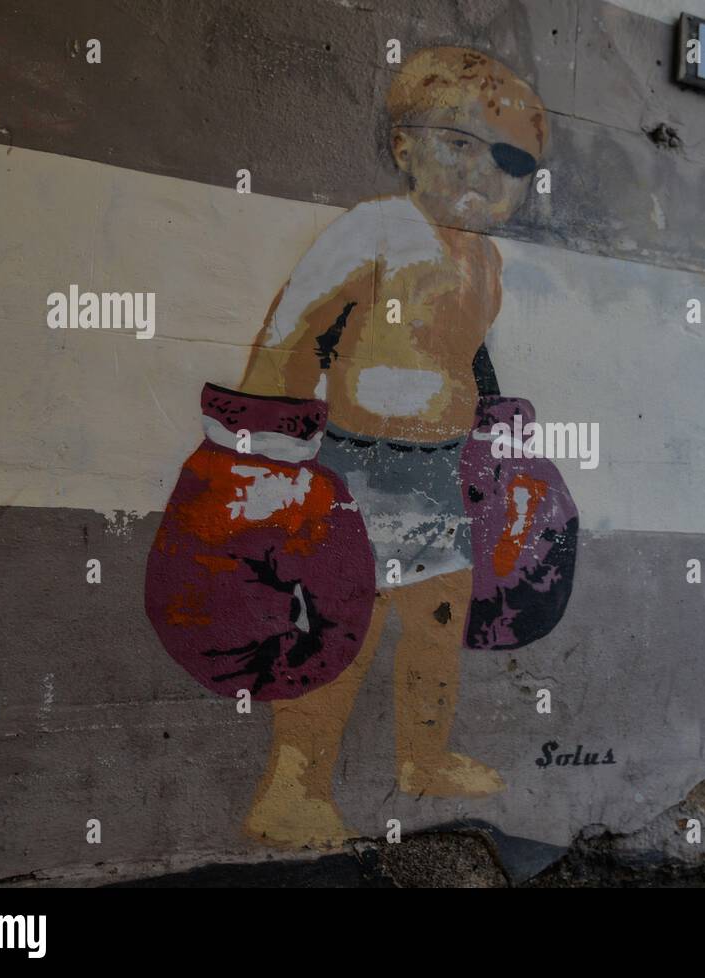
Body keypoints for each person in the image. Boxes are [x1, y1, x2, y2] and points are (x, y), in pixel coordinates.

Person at [238, 47, 550, 847]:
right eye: (459, 143)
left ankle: (424, 756)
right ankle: (293, 786)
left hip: (438, 470)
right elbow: (291, 330)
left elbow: (465, 350)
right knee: (343, 628)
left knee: (440, 617)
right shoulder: (374, 228)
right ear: (405, 144)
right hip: (360, 466)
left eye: (512, 160)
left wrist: (489, 408)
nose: (485, 174)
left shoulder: (483, 255)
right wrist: (262, 449)